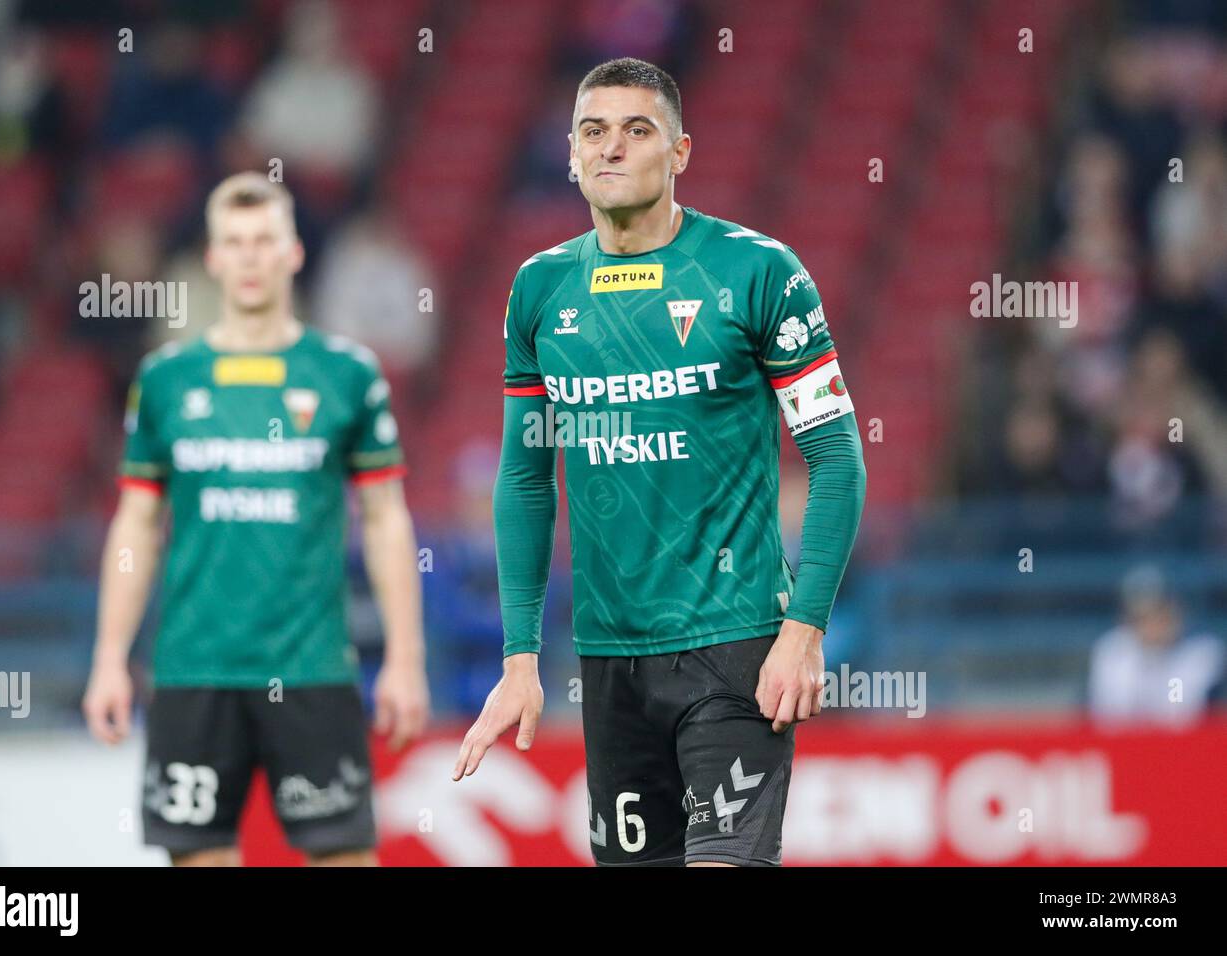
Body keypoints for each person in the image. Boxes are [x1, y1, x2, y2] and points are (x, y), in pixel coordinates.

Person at [453, 58, 867, 867]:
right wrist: (519, 655)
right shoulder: (539, 290)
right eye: (592, 131)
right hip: (610, 662)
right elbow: (527, 475)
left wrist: (804, 628)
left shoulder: (758, 272)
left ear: (679, 151)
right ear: (570, 155)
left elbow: (838, 459)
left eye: (637, 130)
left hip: (738, 645)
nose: (612, 148)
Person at [83, 172, 429, 866]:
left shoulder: (347, 374)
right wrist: (109, 657)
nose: (249, 257)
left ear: (293, 252)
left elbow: (386, 518)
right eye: (234, 243)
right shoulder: (166, 379)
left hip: (312, 667)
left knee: (346, 857)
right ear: (212, 258)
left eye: (263, 240)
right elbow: (136, 526)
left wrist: (406, 657)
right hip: (192, 670)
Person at [1088, 563, 1224, 728]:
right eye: (1143, 616)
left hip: (1183, 748)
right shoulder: (1111, 652)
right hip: (1126, 747)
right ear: (1127, 618)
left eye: (1161, 612)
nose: (1154, 624)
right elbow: (1111, 716)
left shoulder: (1201, 653)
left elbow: (1179, 713)